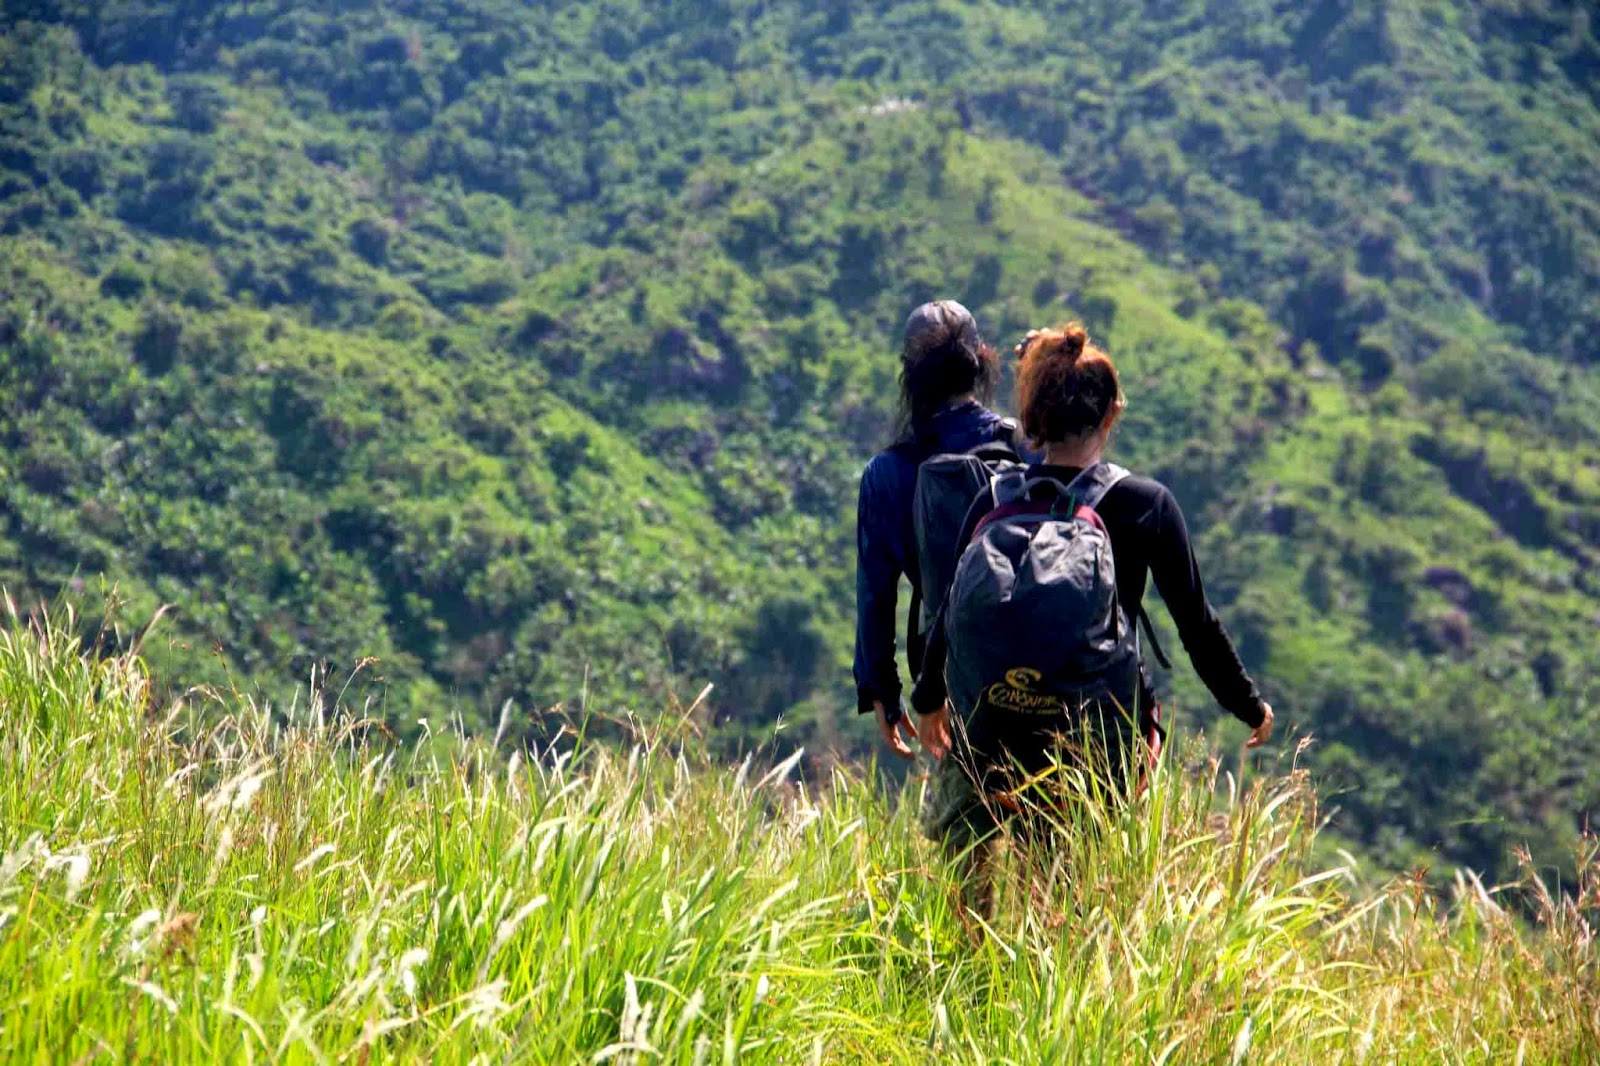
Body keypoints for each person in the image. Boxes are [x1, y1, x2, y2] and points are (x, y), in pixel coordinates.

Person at [911, 323, 1274, 885]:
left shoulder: (998, 494)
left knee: (969, 885)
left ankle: (966, 956)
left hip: (994, 721)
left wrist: (929, 697)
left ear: (1031, 420)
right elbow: (1196, 626)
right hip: (1091, 740)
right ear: (1112, 414)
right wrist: (1249, 705)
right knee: (1068, 892)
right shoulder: (1146, 504)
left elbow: (954, 611)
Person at [854, 300, 1030, 758]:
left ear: (909, 374)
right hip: (1043, 652)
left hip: (950, 673)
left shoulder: (888, 473)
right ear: (981, 362)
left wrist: (881, 690)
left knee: (973, 817)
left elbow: (876, 594)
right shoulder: (1024, 445)